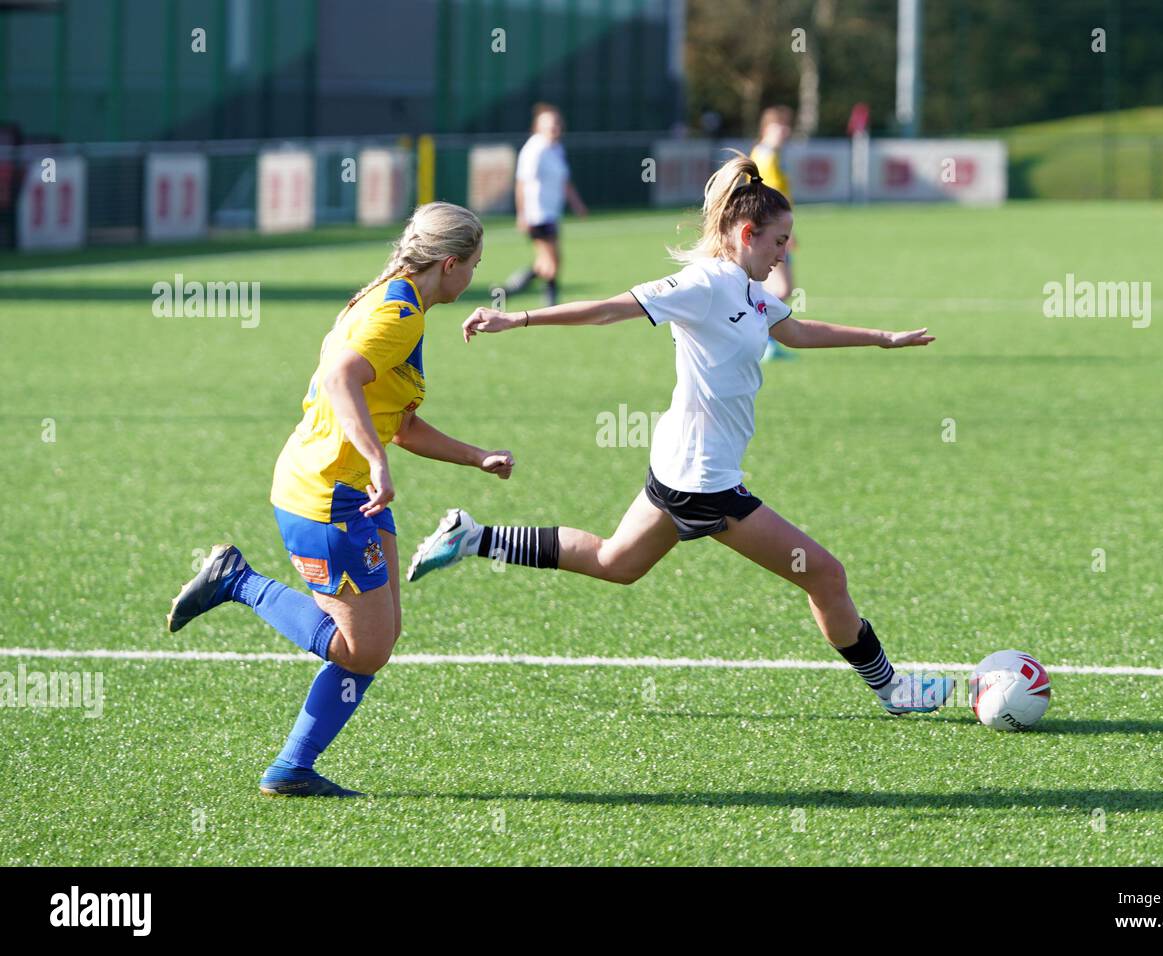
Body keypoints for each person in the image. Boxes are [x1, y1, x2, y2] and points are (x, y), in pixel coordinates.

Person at [407, 154, 953, 716]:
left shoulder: (749, 290)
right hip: (703, 480)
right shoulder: (705, 284)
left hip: (683, 466)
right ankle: (894, 690)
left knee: (616, 562)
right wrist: (515, 319)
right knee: (825, 575)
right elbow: (606, 311)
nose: (785, 253)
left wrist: (883, 338)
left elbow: (798, 330)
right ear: (746, 234)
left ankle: (472, 538)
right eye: (779, 241)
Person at [165, 203, 515, 797]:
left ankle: (292, 768)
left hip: (352, 491)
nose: (474, 277)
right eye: (474, 265)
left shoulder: (395, 303)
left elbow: (400, 425)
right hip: (326, 493)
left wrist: (475, 456)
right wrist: (377, 463)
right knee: (363, 647)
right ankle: (236, 580)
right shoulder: (399, 314)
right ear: (450, 264)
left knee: (381, 636)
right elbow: (339, 380)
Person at [500, 103, 588, 307]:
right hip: (537, 214)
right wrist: (522, 214)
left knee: (547, 262)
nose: (555, 127)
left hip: (551, 213)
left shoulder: (556, 148)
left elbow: (564, 181)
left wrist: (577, 204)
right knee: (551, 261)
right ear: (538, 127)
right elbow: (522, 183)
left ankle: (509, 290)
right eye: (550, 124)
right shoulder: (534, 150)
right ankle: (550, 302)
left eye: (557, 123)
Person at [751, 106, 797, 363]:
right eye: (780, 126)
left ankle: (765, 341)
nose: (786, 131)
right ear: (767, 129)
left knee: (772, 289)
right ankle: (762, 340)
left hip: (774, 230)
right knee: (782, 288)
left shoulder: (770, 156)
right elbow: (763, 197)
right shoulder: (764, 157)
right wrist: (779, 234)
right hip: (771, 232)